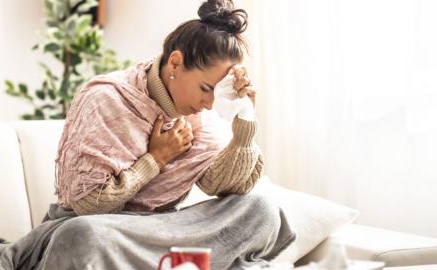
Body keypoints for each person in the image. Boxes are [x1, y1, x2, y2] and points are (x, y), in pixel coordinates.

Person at [40, 0, 295, 269]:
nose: (210, 103)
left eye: (217, 92)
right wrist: (156, 159)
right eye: (205, 88)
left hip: (160, 231)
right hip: (105, 228)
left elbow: (226, 186)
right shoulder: (107, 99)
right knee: (82, 236)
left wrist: (244, 117)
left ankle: (168, 262)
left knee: (261, 211)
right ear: (175, 63)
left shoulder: (199, 116)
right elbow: (89, 205)